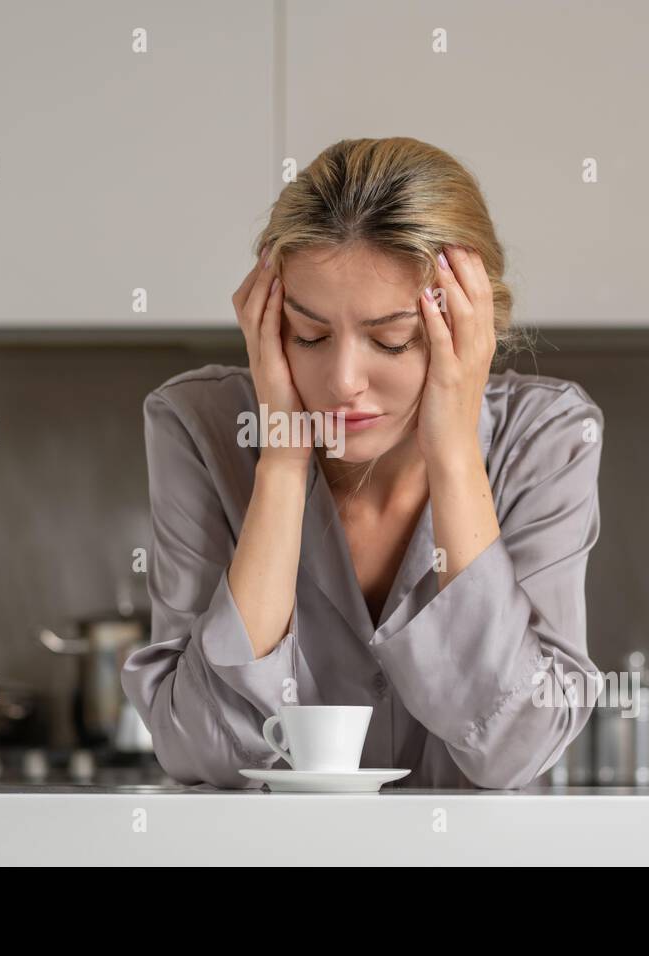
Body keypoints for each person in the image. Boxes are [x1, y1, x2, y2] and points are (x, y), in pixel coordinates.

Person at [121, 136, 605, 789]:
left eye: (393, 340)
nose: (344, 379)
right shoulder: (199, 428)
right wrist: (284, 463)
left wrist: (456, 452)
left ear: (470, 328)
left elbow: (514, 747)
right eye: (309, 334)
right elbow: (200, 748)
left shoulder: (545, 437)